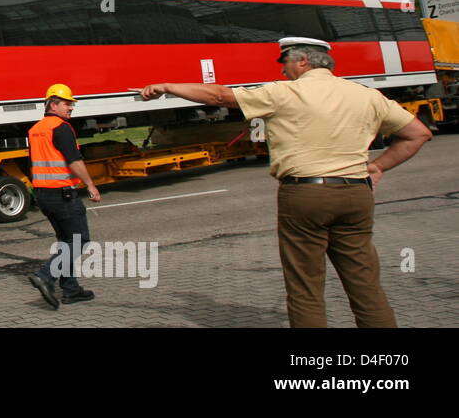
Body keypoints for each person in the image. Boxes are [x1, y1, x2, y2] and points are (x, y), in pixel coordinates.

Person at [139, 37, 432, 328]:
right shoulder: (366, 95)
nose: (282, 70)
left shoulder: (283, 93)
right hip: (356, 193)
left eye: (285, 62)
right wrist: (378, 167)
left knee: (305, 286)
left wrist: (167, 87)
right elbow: (418, 134)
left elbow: (219, 97)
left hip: (305, 194)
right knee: (365, 283)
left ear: (303, 60)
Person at [25, 83, 102, 309]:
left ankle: (71, 290)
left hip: (43, 194)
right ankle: (45, 276)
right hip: (62, 194)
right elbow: (74, 160)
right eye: (67, 103)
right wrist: (90, 185)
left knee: (66, 241)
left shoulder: (35, 130)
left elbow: (32, 164)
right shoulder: (61, 128)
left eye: (72, 104)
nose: (71, 108)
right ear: (53, 104)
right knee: (79, 240)